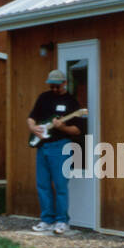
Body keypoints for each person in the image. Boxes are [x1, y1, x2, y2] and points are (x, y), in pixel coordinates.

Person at [26, 68, 84, 235]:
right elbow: (31, 117)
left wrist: (63, 126)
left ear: (64, 83)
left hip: (61, 146)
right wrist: (32, 127)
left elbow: (77, 131)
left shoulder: (71, 103)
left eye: (57, 86)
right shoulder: (43, 97)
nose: (54, 89)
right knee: (42, 185)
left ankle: (62, 221)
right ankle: (46, 220)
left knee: (60, 185)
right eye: (51, 86)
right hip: (43, 146)